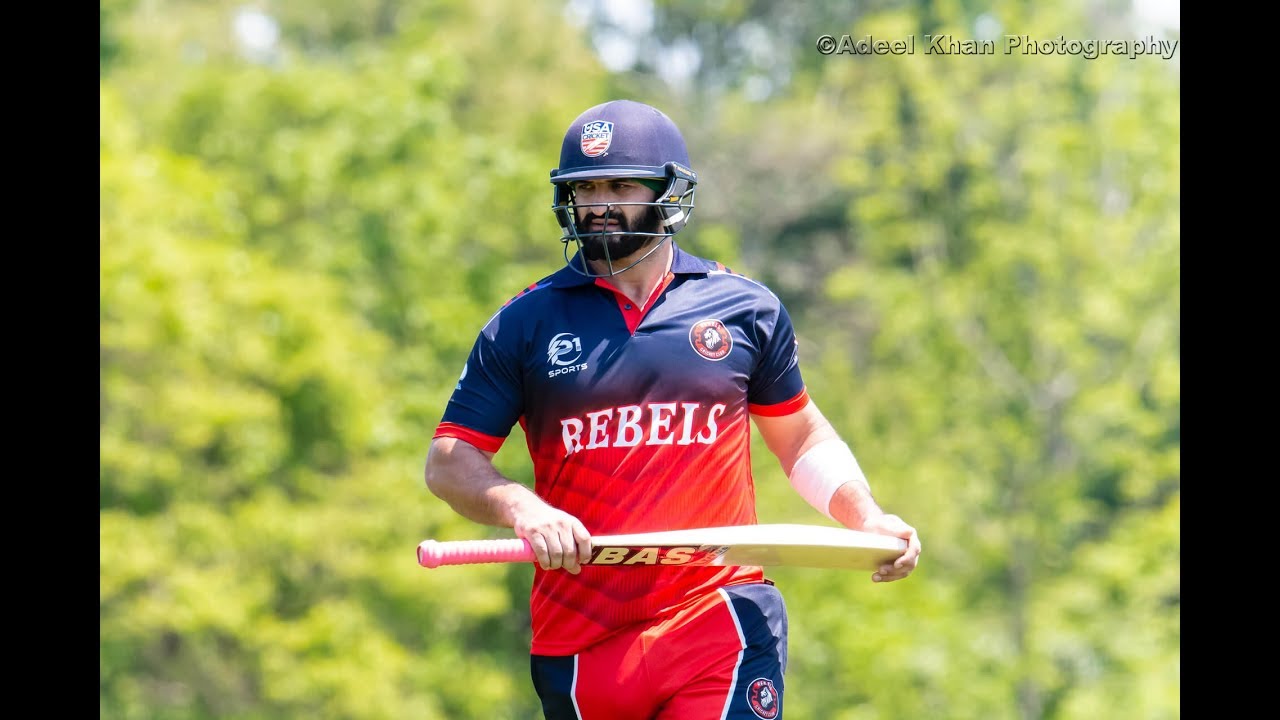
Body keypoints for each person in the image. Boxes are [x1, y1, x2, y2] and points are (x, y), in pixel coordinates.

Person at [424, 99, 921, 719]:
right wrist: (523, 507)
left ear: (668, 193)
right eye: (585, 188)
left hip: (718, 617)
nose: (599, 203)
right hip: (582, 645)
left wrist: (867, 518)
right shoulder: (525, 323)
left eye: (620, 185)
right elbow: (449, 460)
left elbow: (800, 440)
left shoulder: (745, 309)